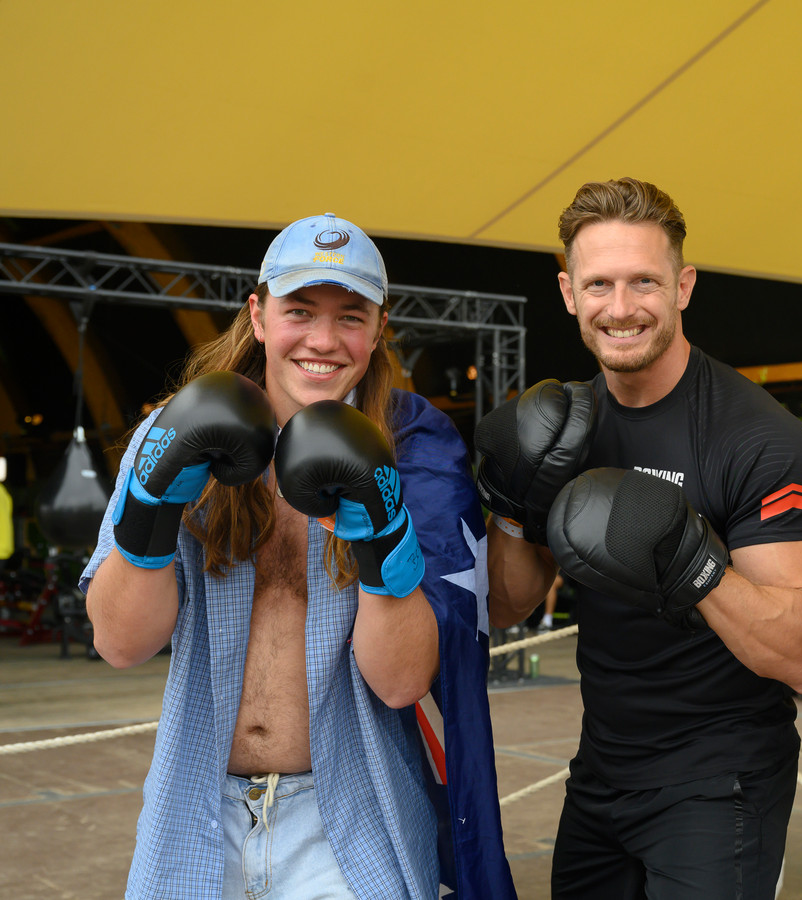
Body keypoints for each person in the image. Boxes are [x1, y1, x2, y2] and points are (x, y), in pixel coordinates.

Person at [81, 213, 516, 899]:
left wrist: (382, 532)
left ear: (378, 329)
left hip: (353, 818)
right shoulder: (171, 433)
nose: (323, 339)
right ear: (257, 315)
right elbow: (120, 642)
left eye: (350, 316)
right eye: (300, 311)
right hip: (192, 811)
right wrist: (151, 501)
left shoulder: (413, 458)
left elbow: (402, 682)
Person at [478, 177, 802, 899]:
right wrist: (513, 511)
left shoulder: (756, 440)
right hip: (601, 769)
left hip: (719, 778)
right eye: (599, 284)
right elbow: (508, 607)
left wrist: (691, 563)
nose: (620, 308)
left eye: (644, 281)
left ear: (683, 286)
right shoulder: (564, 431)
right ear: (568, 293)